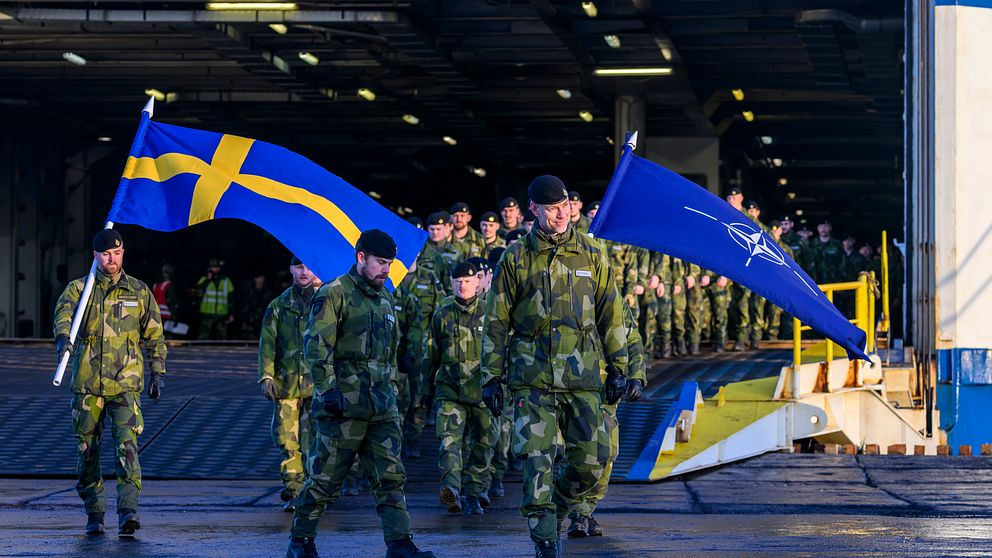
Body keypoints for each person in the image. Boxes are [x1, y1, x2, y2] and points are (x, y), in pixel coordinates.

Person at [480, 175, 627, 557]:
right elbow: (496, 321)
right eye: (551, 208)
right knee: (537, 462)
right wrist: (491, 377)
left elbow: (612, 315)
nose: (561, 215)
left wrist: (620, 367)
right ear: (534, 210)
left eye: (564, 206)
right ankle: (544, 539)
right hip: (532, 379)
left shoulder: (592, 254)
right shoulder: (515, 258)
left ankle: (556, 510)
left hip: (583, 376)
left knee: (593, 460)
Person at [287, 230, 434, 558]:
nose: (386, 269)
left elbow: (388, 352)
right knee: (324, 479)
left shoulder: (385, 298)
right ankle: (301, 540)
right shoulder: (334, 294)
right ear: (360, 257)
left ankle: (400, 543)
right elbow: (316, 346)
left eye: (390, 264)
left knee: (391, 477)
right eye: (381, 263)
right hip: (343, 407)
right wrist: (327, 390)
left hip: (381, 407)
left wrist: (393, 388)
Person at [53, 229, 167, 537]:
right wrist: (63, 337)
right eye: (105, 255)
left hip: (125, 385)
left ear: (123, 253)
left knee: (127, 448)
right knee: (87, 450)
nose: (111, 259)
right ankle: (95, 512)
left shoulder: (139, 291)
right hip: (88, 386)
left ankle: (128, 511)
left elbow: (154, 336)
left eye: (116, 254)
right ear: (95, 256)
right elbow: (63, 315)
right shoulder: (80, 289)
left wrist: (158, 373)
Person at [423, 261, 496, 515]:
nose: (462, 285)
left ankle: (475, 493)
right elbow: (431, 354)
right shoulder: (441, 313)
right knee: (449, 443)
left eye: (467, 281)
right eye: (457, 281)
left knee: (483, 444)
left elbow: (502, 352)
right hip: (450, 390)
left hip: (484, 392)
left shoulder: (491, 312)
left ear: (477, 282)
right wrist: (425, 391)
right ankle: (452, 491)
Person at [567, 305, 646, 537]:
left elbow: (632, 340)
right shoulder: (568, 292)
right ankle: (578, 512)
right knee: (576, 452)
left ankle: (587, 507)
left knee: (608, 453)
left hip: (607, 389)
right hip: (572, 387)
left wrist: (636, 376)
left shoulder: (615, 301)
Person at [259, 257, 317, 512]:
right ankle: (295, 490)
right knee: (287, 439)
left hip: (318, 384)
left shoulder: (326, 301)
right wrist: (266, 376)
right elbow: (267, 343)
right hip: (287, 383)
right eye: (299, 267)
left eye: (308, 267)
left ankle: (316, 489)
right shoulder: (279, 306)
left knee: (315, 440)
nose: (304, 273)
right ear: (291, 269)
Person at [393, 258, 444, 461]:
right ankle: (395, 444)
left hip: (419, 351)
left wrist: (414, 352)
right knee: (397, 402)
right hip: (391, 355)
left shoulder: (428, 278)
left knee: (417, 399)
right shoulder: (391, 284)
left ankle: (413, 439)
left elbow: (432, 314)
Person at [764, 221, 795, 340]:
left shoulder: (786, 249)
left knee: (775, 312)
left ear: (780, 231)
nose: (774, 233)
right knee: (758, 311)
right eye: (771, 230)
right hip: (764, 283)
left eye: (776, 230)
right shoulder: (761, 246)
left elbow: (791, 269)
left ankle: (773, 337)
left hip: (779, 285)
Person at [196, 258, 235, 339]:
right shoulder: (204, 279)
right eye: (213, 267)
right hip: (207, 313)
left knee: (222, 338)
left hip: (222, 314)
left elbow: (231, 299)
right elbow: (197, 291)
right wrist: (207, 280)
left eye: (217, 267)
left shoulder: (226, 281)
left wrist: (231, 314)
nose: (215, 269)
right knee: (203, 337)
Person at [242, 272, 273, 339]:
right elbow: (246, 306)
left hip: (263, 319)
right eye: (259, 278)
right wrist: (245, 319)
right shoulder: (250, 292)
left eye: (262, 278)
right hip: (251, 320)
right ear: (255, 279)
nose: (261, 279)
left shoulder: (267, 292)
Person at [152, 264, 179, 335]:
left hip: (155, 312)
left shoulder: (156, 285)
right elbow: (171, 300)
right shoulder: (169, 284)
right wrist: (174, 314)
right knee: (166, 333)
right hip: (166, 313)